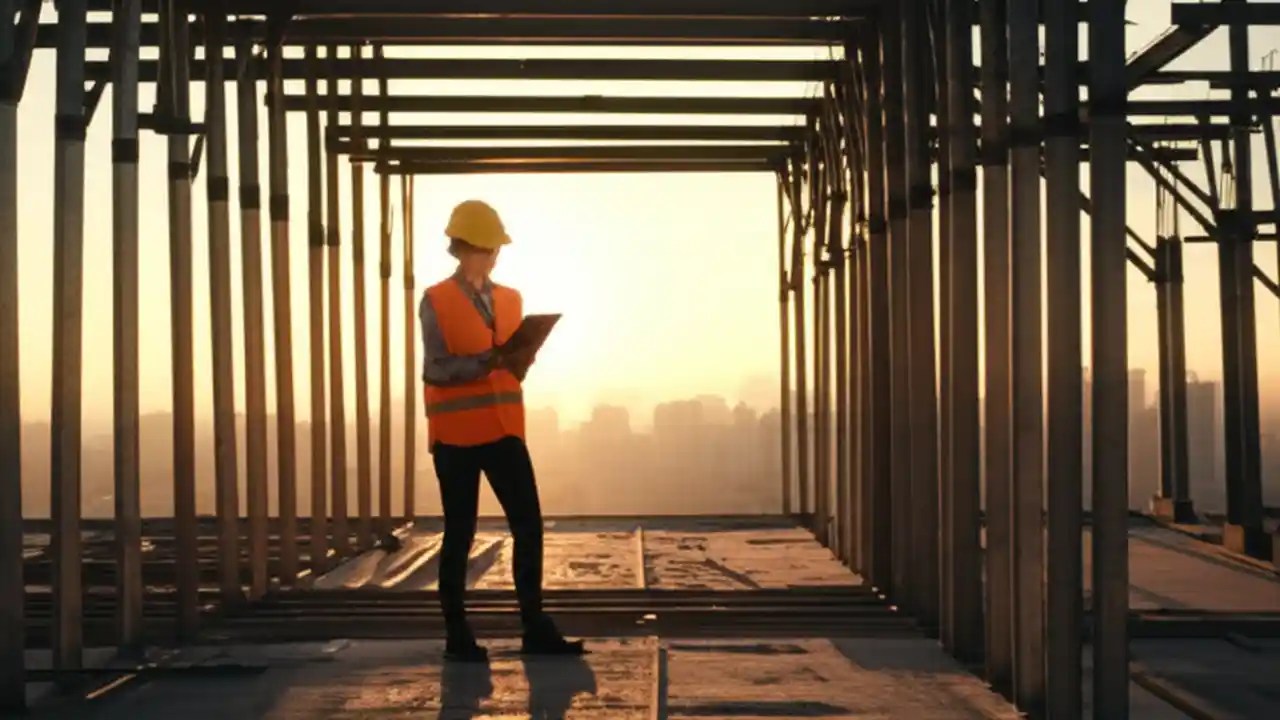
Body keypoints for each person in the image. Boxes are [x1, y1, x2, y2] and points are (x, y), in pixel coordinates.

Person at [419, 199, 585, 662]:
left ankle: (536, 628)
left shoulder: (511, 299)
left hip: (505, 430)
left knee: (528, 526)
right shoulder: (436, 299)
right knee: (460, 533)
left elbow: (514, 370)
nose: (495, 257)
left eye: (496, 250)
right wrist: (485, 363)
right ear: (465, 249)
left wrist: (520, 356)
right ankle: (458, 636)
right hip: (455, 438)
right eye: (489, 249)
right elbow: (435, 368)